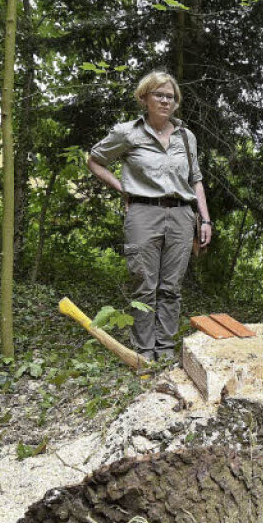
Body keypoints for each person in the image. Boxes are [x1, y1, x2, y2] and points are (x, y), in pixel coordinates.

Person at [88, 71, 212, 362]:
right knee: (144, 284)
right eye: (159, 95)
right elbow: (94, 161)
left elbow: (196, 179)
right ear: (144, 98)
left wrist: (204, 219)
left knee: (171, 286)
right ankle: (144, 351)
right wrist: (124, 189)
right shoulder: (127, 132)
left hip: (182, 215)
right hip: (143, 212)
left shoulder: (186, 136)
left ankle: (166, 349)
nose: (165, 101)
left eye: (170, 96)